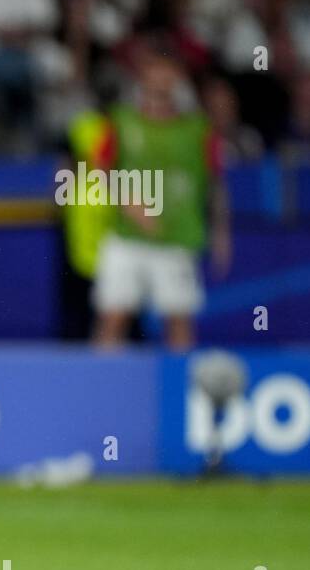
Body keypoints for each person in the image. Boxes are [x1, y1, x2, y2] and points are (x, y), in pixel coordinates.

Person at [91, 52, 230, 351]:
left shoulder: (199, 130)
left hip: (177, 238)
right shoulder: (121, 122)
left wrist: (221, 234)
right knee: (113, 316)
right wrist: (128, 203)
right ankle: (98, 386)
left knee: (179, 321)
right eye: (153, 82)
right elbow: (98, 169)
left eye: (167, 82)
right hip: (127, 238)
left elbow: (216, 185)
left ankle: (180, 388)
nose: (160, 90)